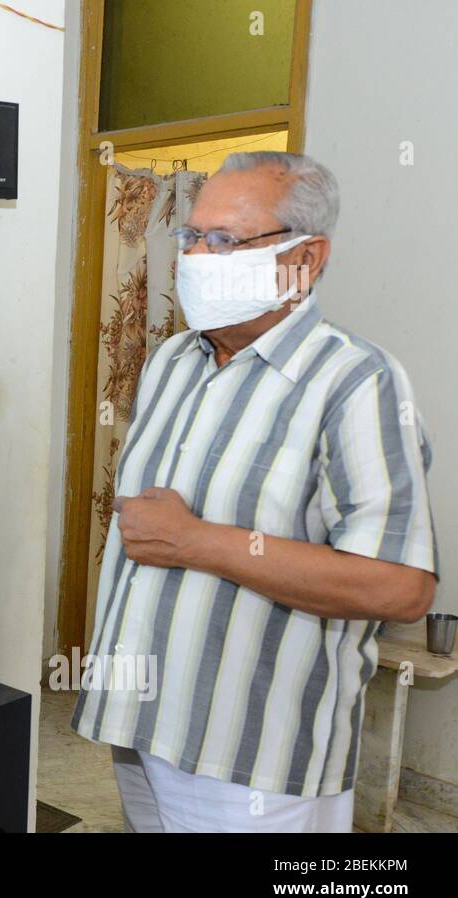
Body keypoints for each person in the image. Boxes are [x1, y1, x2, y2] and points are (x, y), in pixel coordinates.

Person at [71, 151, 438, 832]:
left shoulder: (357, 382)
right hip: (142, 725)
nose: (198, 259)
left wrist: (200, 542)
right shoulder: (174, 362)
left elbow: (401, 587)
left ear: (307, 256)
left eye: (225, 241)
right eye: (191, 237)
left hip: (252, 761)